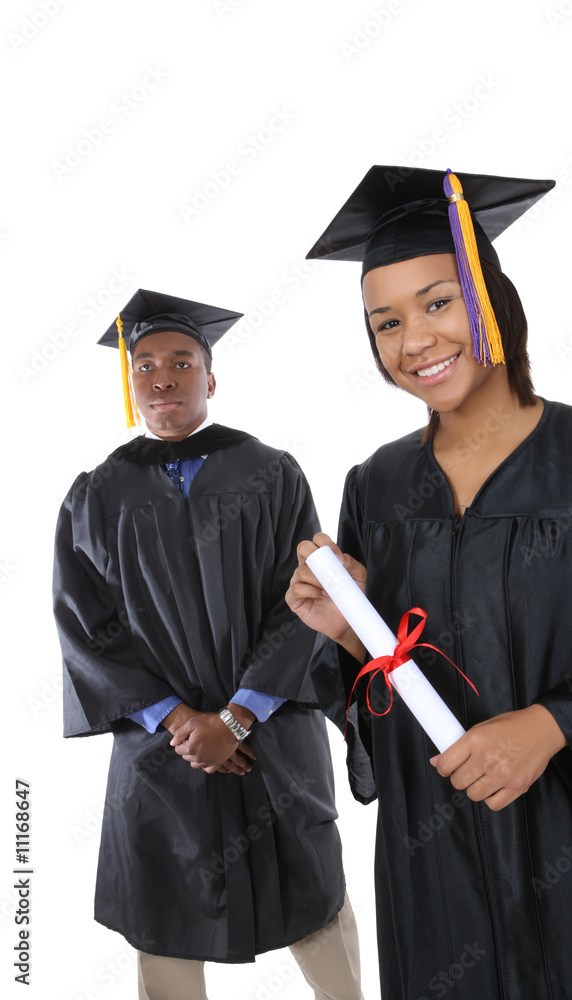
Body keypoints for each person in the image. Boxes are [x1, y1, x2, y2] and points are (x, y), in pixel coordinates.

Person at [286, 166, 572, 999]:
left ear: (491, 297)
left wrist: (555, 723)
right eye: (385, 322)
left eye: (436, 302)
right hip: (435, 864)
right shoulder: (378, 487)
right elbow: (380, 693)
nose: (413, 340)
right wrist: (350, 633)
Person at [53, 289, 364, 1000]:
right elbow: (83, 626)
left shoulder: (271, 472)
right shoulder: (96, 493)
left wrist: (235, 716)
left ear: (211, 377)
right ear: (131, 384)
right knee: (163, 917)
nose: (163, 377)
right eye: (147, 365)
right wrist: (179, 720)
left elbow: (308, 603)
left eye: (183, 362)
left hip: (271, 734)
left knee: (312, 897)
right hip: (160, 750)